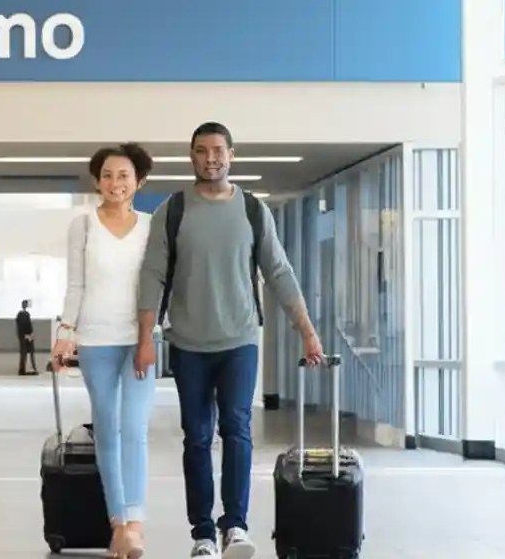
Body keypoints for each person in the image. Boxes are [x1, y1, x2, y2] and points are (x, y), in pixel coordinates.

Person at [135, 122, 323, 559]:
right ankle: (203, 533)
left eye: (218, 150)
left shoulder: (254, 210)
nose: (210, 158)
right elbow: (152, 274)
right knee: (197, 437)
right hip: (188, 344)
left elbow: (279, 272)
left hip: (239, 341)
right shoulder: (173, 210)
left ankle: (234, 526)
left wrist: (308, 332)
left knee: (237, 430)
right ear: (192, 157)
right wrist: (146, 338)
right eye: (201, 151)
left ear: (232, 155)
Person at [52, 142, 156, 559]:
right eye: (108, 175)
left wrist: (156, 333)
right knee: (108, 430)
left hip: (142, 340)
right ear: (97, 181)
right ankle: (119, 523)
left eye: (124, 175)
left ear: (139, 181)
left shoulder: (152, 226)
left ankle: (136, 522)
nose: (116, 183)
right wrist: (66, 331)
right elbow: (75, 284)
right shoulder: (83, 226)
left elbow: (158, 286)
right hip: (95, 340)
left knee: (135, 429)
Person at [16, 300, 39, 375]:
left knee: (29, 353)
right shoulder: (21, 315)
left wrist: (30, 334)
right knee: (24, 353)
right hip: (24, 336)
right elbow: (22, 327)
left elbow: (28, 326)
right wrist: (25, 335)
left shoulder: (26, 314)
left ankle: (30, 368)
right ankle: (23, 369)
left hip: (27, 336)